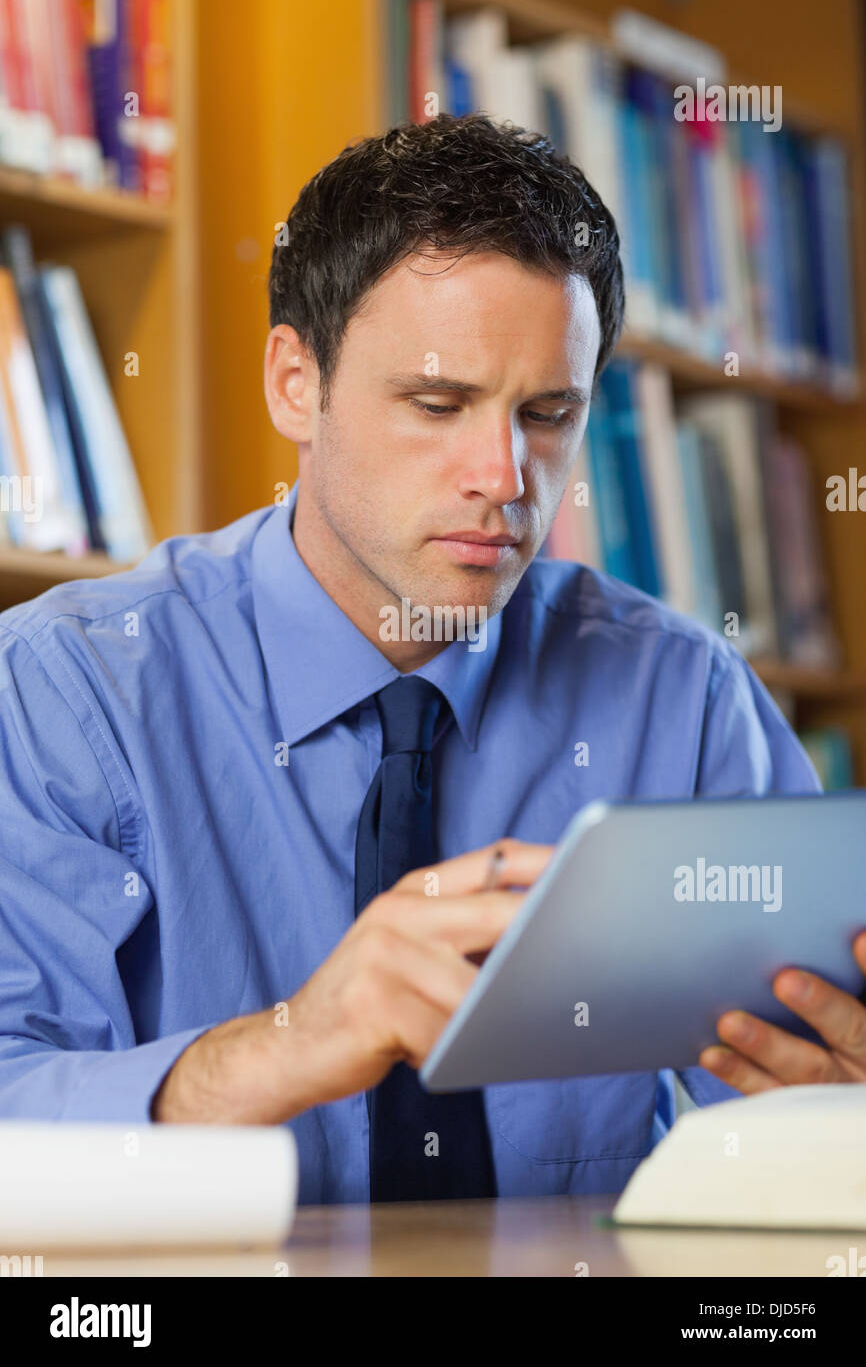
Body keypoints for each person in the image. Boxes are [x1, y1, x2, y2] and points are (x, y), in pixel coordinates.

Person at [1, 114, 862, 1206]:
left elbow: (785, 1131)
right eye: (437, 403)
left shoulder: (679, 697)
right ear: (292, 385)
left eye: (547, 415)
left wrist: (836, 1119)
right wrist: (292, 1041)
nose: (503, 477)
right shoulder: (60, 690)